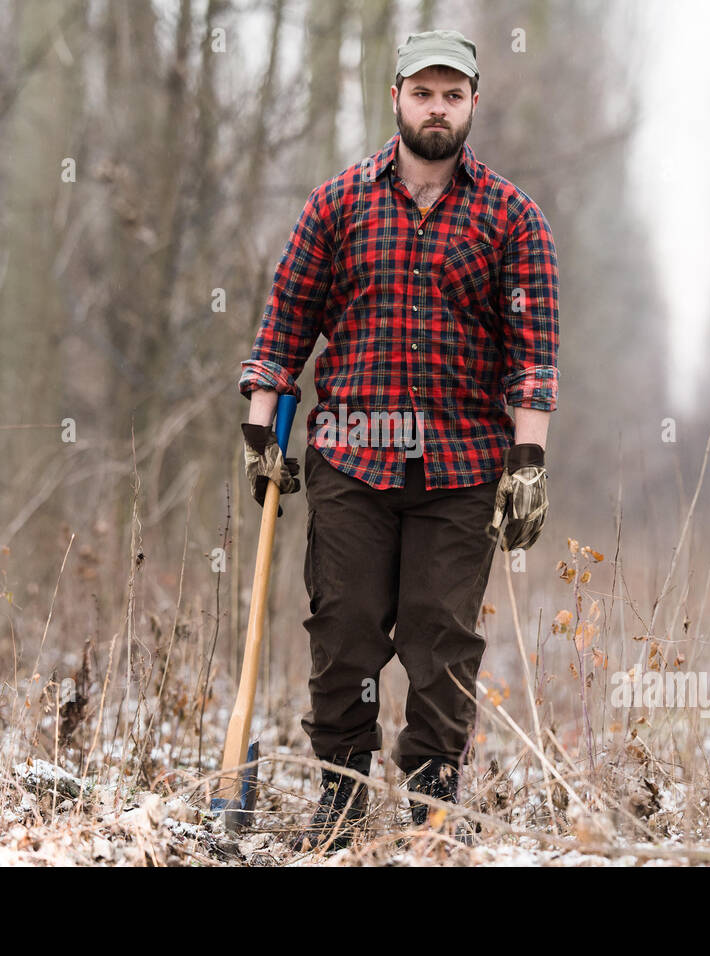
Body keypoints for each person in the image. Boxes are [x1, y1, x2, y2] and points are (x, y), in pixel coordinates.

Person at [237, 28, 559, 851]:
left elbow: (533, 357)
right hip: (350, 457)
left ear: (473, 105)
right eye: (424, 93)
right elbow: (285, 327)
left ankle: (431, 812)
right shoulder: (338, 204)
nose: (438, 109)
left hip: (459, 467)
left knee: (440, 642)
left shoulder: (514, 219)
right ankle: (340, 801)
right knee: (343, 631)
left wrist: (529, 460)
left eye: (454, 95)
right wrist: (257, 427)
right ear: (397, 99)